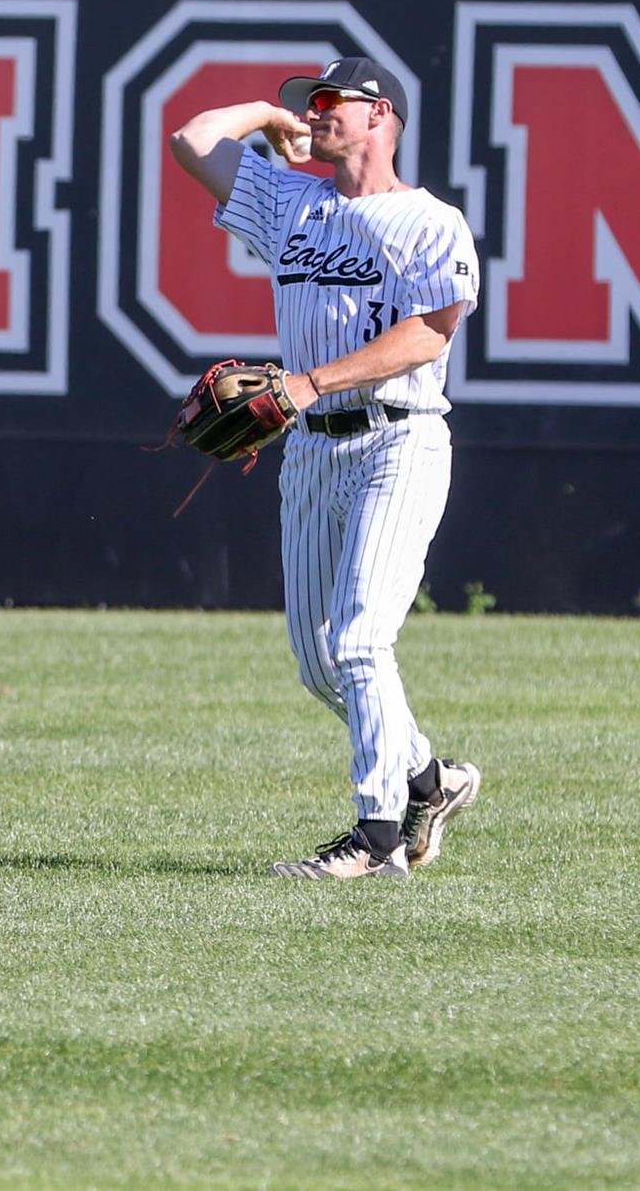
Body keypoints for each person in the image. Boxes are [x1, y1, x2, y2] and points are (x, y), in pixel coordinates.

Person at [169, 57, 483, 879]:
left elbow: (429, 335)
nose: (315, 112)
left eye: (329, 101)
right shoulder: (291, 202)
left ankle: (377, 837)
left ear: (381, 114)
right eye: (309, 103)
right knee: (320, 664)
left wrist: (307, 381)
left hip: (398, 440)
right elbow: (191, 139)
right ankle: (426, 777)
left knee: (358, 637)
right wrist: (262, 118)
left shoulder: (431, 222)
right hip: (310, 451)